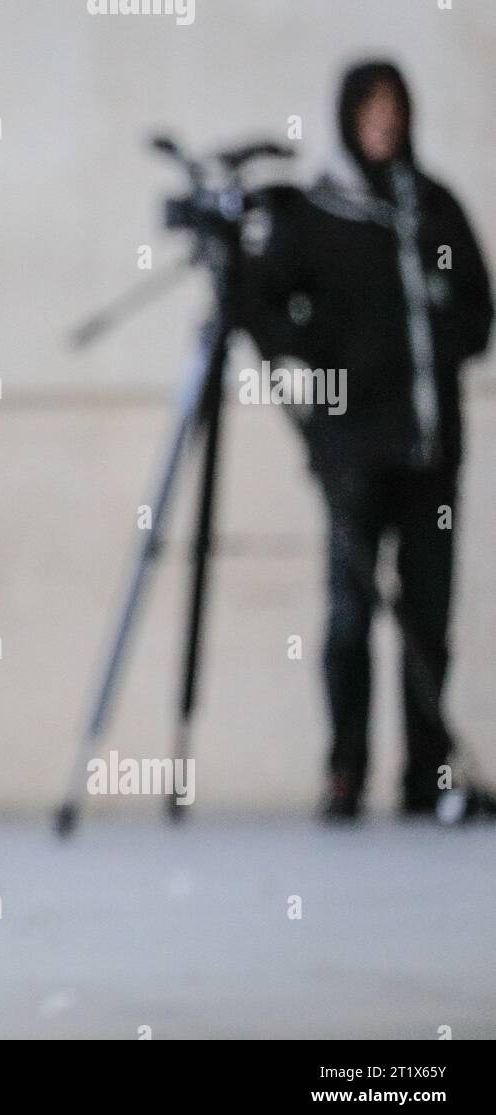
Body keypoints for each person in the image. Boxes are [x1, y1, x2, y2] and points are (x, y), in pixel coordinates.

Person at [240, 59, 493, 820]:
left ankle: (427, 775)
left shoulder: (435, 207)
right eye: (372, 106)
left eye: (396, 106)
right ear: (349, 114)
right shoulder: (318, 213)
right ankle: (345, 771)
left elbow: (480, 311)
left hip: (429, 450)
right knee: (351, 615)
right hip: (352, 450)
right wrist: (323, 352)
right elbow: (258, 302)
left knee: (427, 616)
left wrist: (434, 335)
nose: (385, 119)